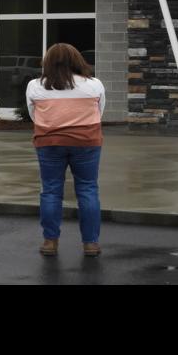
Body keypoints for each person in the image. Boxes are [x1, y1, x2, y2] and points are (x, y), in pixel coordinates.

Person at [26, 43, 105, 257]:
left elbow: (33, 114)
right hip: (87, 142)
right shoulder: (94, 84)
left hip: (49, 142)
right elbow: (100, 111)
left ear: (48, 62)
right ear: (77, 60)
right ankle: (90, 244)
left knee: (51, 190)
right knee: (88, 189)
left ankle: (50, 242)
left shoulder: (35, 85)